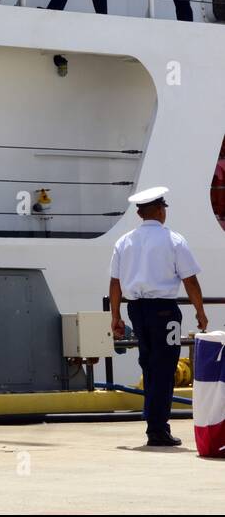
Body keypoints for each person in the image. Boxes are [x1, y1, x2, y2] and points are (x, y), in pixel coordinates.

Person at [109, 186, 210, 446]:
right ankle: (158, 429)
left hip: (136, 310)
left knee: (149, 365)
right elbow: (190, 281)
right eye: (163, 207)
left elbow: (115, 283)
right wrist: (200, 312)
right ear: (158, 210)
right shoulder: (173, 240)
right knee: (165, 367)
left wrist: (116, 317)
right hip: (165, 311)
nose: (165, 212)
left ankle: (153, 424)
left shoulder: (124, 241)